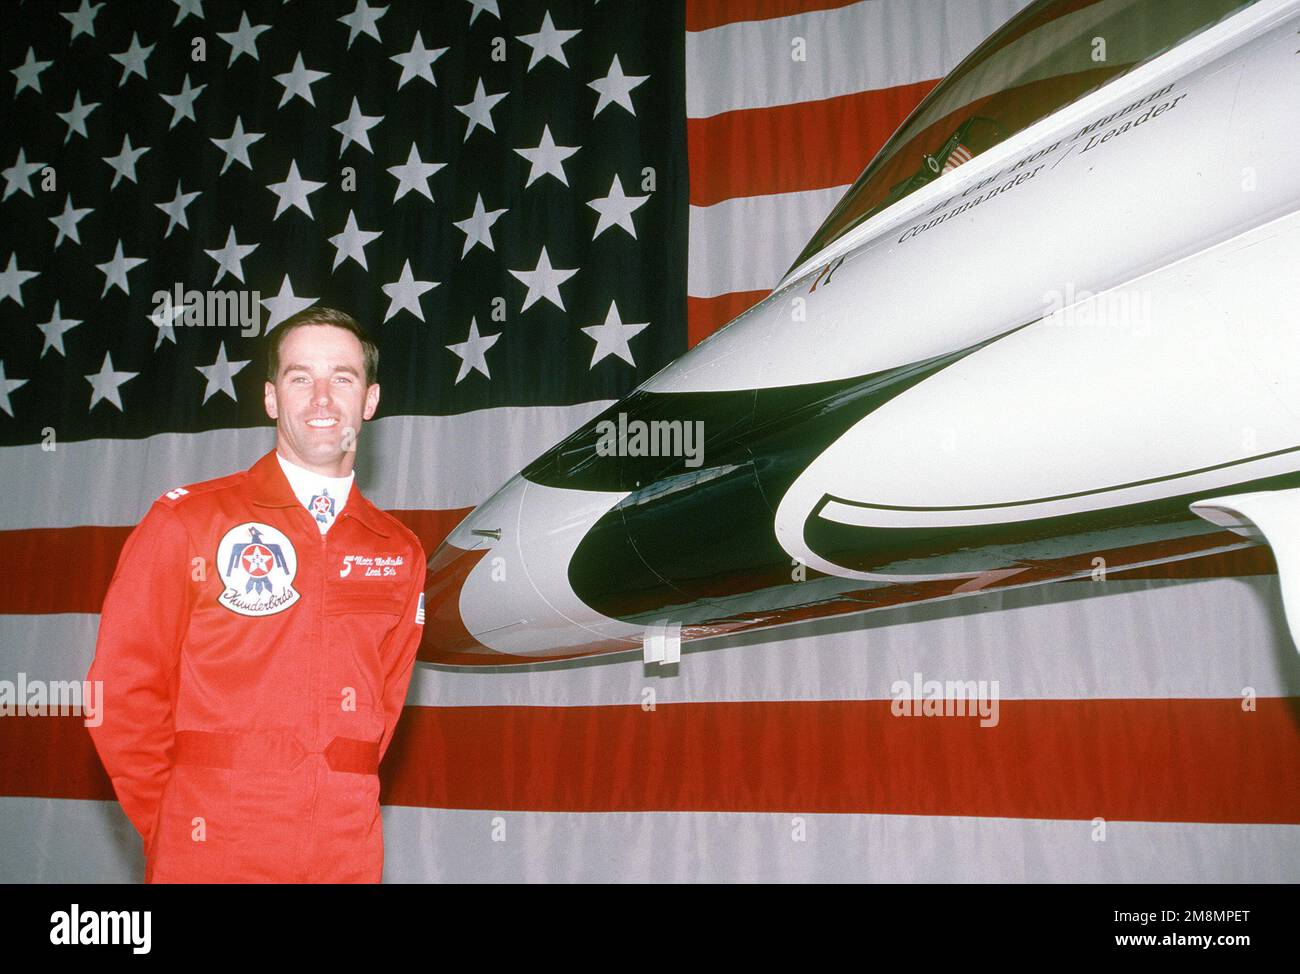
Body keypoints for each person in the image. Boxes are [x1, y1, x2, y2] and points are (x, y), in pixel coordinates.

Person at [86, 307, 427, 883]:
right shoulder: (190, 521)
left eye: (342, 378)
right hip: (213, 852)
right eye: (300, 378)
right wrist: (175, 825)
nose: (322, 398)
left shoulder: (399, 551)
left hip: (345, 857)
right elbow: (118, 694)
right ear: (271, 398)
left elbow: (379, 717)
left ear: (369, 400)